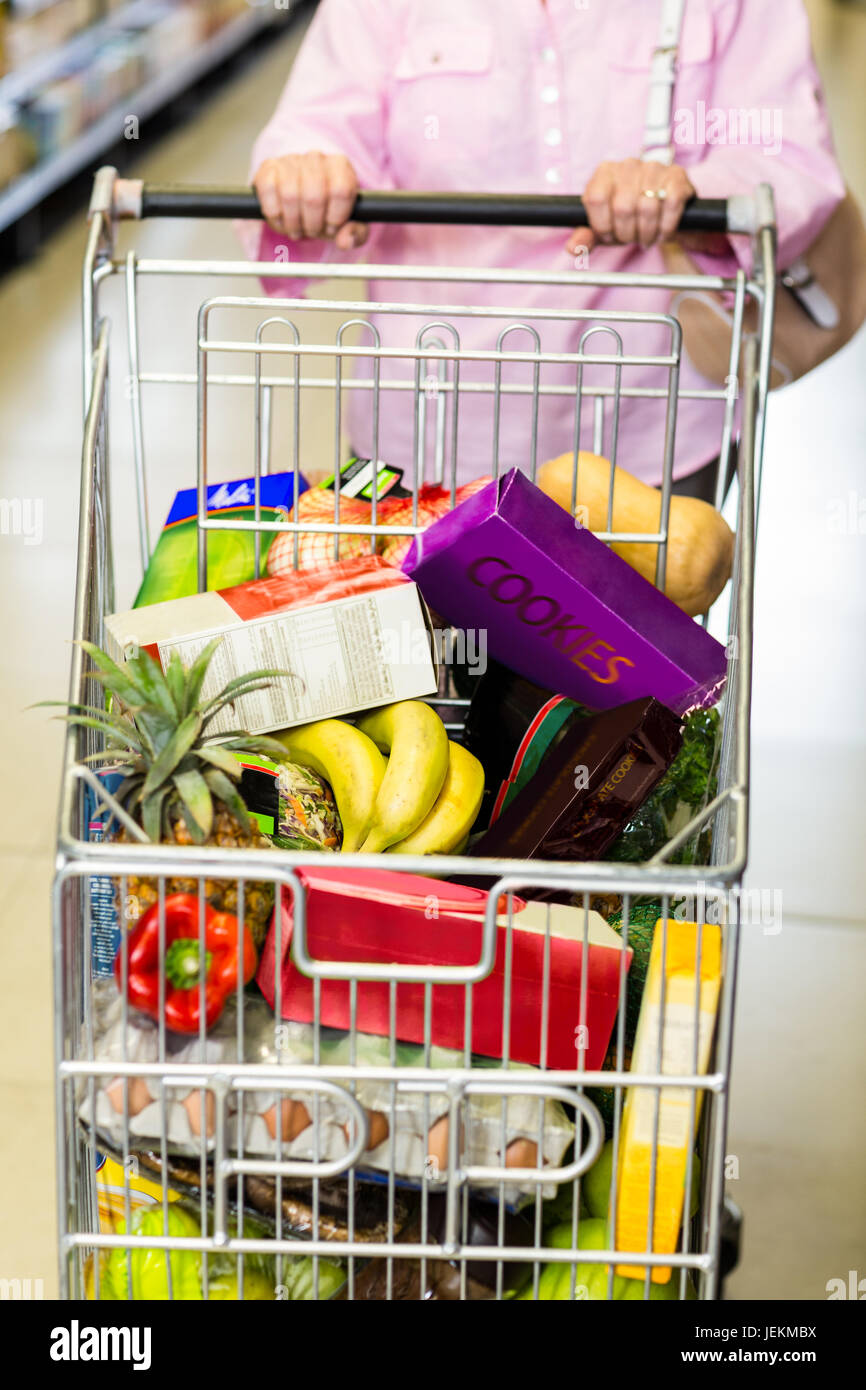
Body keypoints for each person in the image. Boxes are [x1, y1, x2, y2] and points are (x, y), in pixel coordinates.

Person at [241, 0, 844, 501]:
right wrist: (306, 174)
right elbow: (317, 124)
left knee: (629, 645)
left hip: (648, 431)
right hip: (422, 434)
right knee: (423, 644)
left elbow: (786, 155)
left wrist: (694, 196)